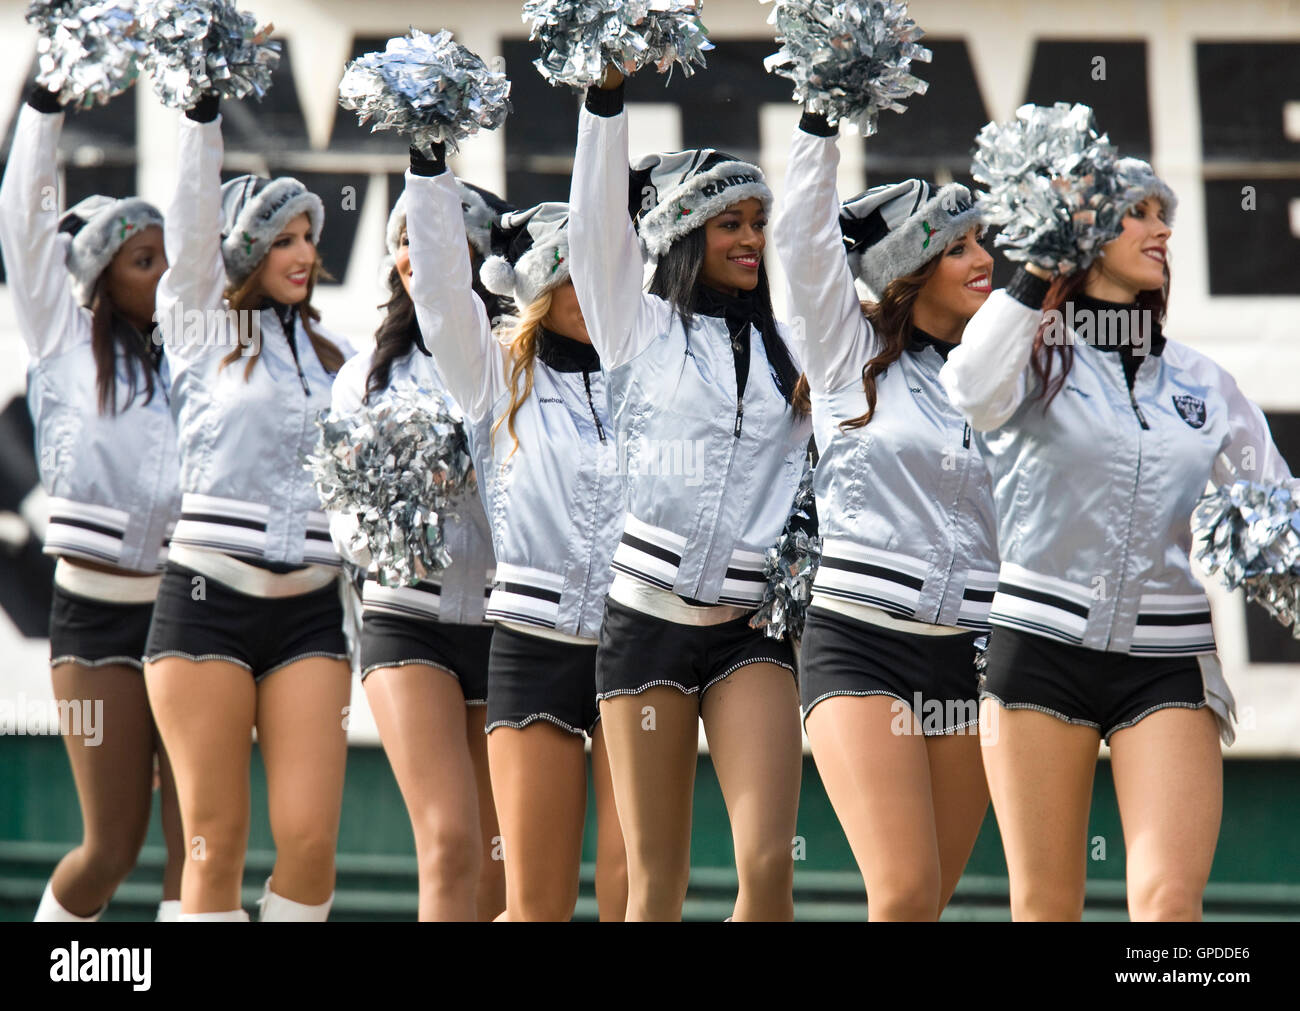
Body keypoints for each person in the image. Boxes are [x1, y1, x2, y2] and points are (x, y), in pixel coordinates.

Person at [940, 155, 1296, 920]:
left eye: (1164, 214)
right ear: (1087, 229)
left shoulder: (1203, 382)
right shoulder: (1030, 355)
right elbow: (970, 388)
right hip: (1038, 644)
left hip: (1167, 656)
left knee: (1170, 905)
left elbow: (1279, 519)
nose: (1162, 227)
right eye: (1138, 212)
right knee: (1046, 906)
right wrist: (1038, 268)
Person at [570, 67, 812, 921]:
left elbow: (820, 252)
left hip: (751, 629)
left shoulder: (795, 346)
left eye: (757, 223)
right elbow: (597, 232)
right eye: (729, 224)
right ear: (682, 233)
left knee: (766, 869)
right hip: (647, 627)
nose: (751, 240)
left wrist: (818, 120)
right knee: (656, 883)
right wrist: (604, 104)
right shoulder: (636, 326)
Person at [771, 110, 997, 920]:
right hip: (860, 638)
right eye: (960, 247)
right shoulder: (845, 354)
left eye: (982, 241)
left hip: (972, 656)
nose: (984, 259)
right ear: (912, 267)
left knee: (929, 901)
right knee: (899, 892)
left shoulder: (1004, 375)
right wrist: (819, 119)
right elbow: (801, 243)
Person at [143, 92, 355, 922]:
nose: (302, 252)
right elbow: (191, 229)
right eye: (282, 238)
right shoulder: (199, 329)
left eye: (309, 236)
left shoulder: (340, 354)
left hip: (309, 610)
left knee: (309, 844)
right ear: (242, 250)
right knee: (213, 840)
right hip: (204, 605)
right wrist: (202, 117)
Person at [404, 142, 626, 921]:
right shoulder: (496, 375)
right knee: (537, 906)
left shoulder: (650, 372)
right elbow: (439, 296)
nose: (596, 291)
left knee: (638, 896)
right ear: (540, 283)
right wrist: (429, 172)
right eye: (576, 275)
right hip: (534, 645)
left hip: (637, 646)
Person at [0, 83, 185, 924]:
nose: (164, 275)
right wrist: (42, 108)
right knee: (110, 845)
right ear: (101, 276)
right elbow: (25, 222)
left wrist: (208, 111)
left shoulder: (194, 357)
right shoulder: (61, 338)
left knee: (203, 843)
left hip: (190, 620)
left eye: (167, 256)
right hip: (92, 621)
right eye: (143, 260)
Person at [325, 185, 509, 921]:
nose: (417, 261)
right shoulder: (365, 374)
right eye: (405, 244)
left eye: (441, 250)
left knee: (502, 862)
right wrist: (415, 501)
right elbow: (346, 515)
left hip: (504, 622)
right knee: (449, 841)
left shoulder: (518, 361)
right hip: (407, 618)